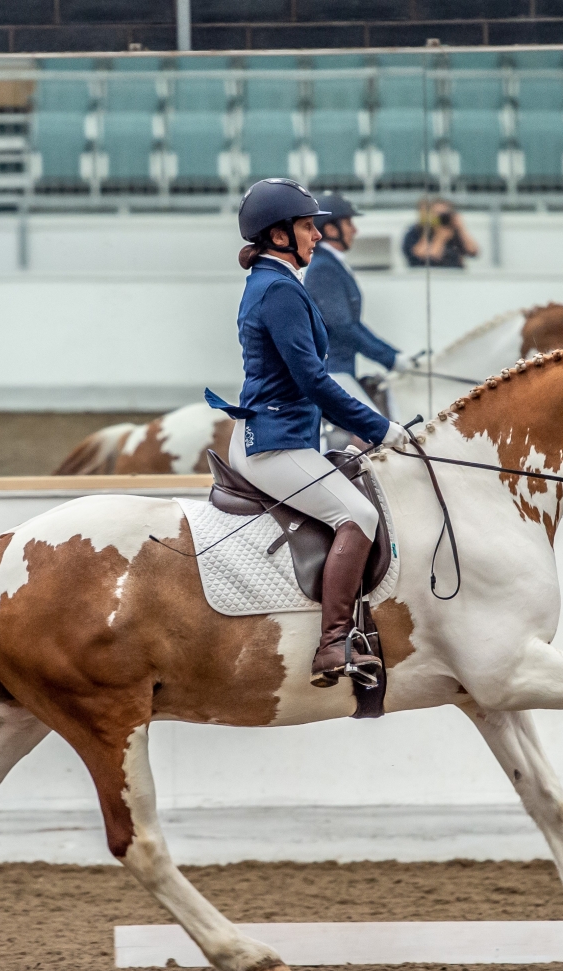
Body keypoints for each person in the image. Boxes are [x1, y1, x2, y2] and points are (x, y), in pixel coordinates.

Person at [205, 178, 408, 689]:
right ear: (278, 236)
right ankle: (333, 642)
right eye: (306, 227)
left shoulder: (277, 283)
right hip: (275, 445)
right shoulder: (277, 289)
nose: (316, 236)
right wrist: (380, 429)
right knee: (357, 514)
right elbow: (312, 380)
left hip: (286, 435)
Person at [303, 192, 408, 414]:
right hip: (332, 372)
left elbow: (352, 325)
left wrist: (394, 355)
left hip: (342, 369)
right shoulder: (324, 268)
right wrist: (391, 359)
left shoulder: (332, 264)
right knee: (373, 431)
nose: (355, 230)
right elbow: (343, 327)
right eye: (349, 223)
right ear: (331, 229)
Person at [402, 198, 479, 268]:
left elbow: (473, 252)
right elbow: (428, 259)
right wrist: (439, 238)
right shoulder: (417, 231)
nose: (442, 218)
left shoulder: (453, 231)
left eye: (444, 215)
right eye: (437, 214)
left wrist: (461, 228)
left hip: (454, 276)